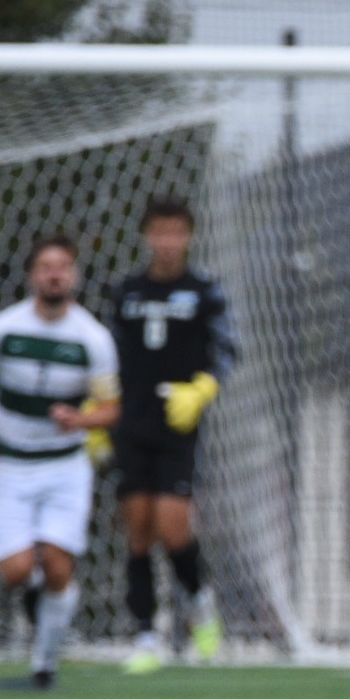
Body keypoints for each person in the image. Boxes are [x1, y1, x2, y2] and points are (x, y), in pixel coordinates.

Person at [0, 234, 121, 689]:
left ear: (74, 275)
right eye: (46, 267)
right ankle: (54, 607)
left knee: (56, 564)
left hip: (64, 467)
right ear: (32, 276)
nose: (55, 274)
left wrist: (82, 419)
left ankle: (43, 665)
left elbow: (112, 407)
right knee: (15, 571)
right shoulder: (3, 329)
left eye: (64, 266)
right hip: (9, 466)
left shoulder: (92, 338)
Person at [107, 198, 237, 673]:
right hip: (132, 422)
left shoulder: (205, 290)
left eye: (176, 233)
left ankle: (200, 604)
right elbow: (110, 355)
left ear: (188, 237)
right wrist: (101, 407)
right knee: (137, 531)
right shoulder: (125, 291)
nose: (167, 242)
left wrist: (202, 388)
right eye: (159, 232)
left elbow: (226, 349)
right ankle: (145, 636)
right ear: (146, 236)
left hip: (178, 426)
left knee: (172, 525)